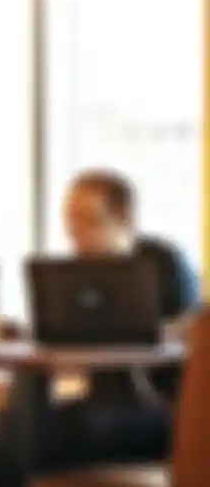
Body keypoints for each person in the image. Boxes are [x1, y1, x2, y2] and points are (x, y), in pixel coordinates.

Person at [57, 169, 201, 464]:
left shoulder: (162, 262)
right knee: (34, 420)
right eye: (70, 219)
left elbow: (188, 332)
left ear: (124, 218)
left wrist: (146, 333)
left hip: (159, 402)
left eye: (86, 218)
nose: (74, 231)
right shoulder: (75, 274)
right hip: (100, 394)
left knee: (67, 428)